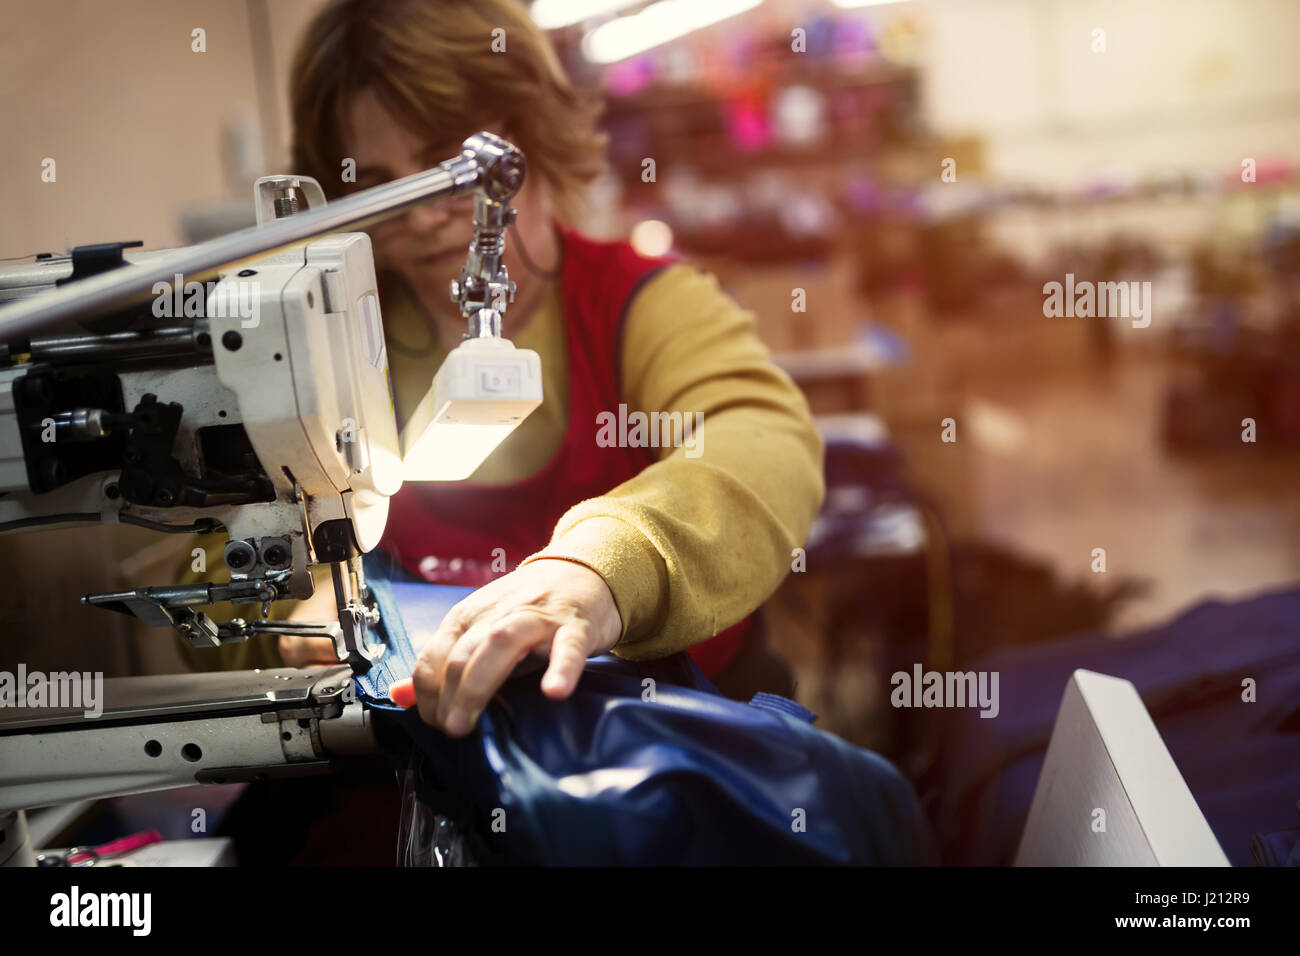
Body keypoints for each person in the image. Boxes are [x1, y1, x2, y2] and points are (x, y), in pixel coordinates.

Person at [186, 0, 823, 739]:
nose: (424, 214)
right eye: (384, 183)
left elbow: (762, 444)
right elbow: (200, 569)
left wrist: (604, 571)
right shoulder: (318, 342)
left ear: (532, 141)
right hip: (408, 758)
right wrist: (289, 617)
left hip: (660, 753)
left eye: (447, 169)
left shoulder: (643, 306)